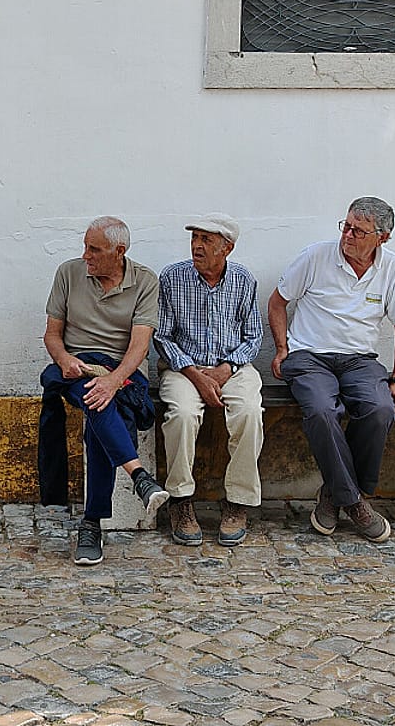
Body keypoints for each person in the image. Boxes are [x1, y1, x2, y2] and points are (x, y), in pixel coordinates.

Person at [268, 197, 395, 542]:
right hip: (309, 356)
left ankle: (334, 494)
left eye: (359, 231)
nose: (348, 235)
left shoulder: (393, 268)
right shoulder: (316, 256)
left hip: (359, 360)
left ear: (382, 238)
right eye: (346, 226)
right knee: (322, 410)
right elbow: (278, 302)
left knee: (381, 408)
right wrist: (282, 348)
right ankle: (355, 502)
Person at [40, 216, 169, 566]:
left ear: (119, 251)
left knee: (98, 405)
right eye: (85, 246)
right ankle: (139, 478)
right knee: (95, 395)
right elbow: (52, 334)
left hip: (119, 370)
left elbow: (140, 347)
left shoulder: (144, 281)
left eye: (94, 249)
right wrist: (64, 358)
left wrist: (113, 381)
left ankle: (91, 524)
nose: (86, 255)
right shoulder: (68, 273)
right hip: (74, 368)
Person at [154, 214, 264, 547]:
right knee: (183, 415)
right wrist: (193, 373)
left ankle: (238, 502)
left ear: (227, 248)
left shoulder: (243, 280)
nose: (197, 246)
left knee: (249, 412)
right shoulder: (172, 277)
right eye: (195, 238)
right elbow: (162, 336)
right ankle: (181, 500)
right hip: (183, 368)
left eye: (206, 240)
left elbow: (253, 335)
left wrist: (226, 369)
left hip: (232, 367)